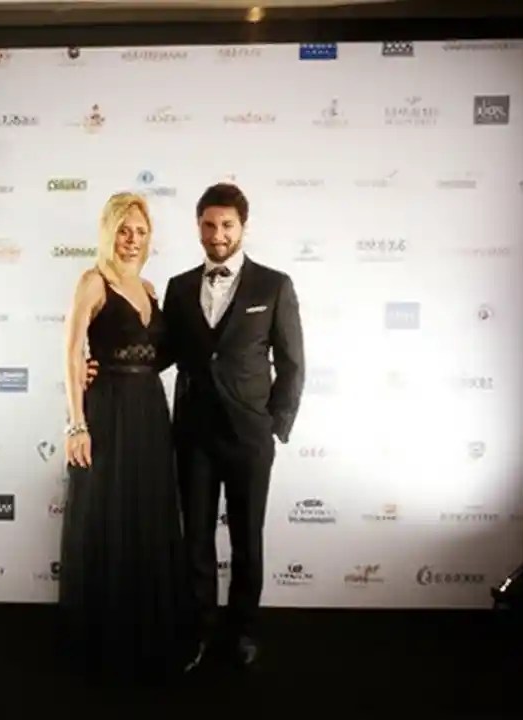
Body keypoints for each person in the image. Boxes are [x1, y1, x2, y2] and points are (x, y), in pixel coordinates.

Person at [163, 183, 305, 670]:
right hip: (194, 435)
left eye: (226, 225)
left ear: (243, 227)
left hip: (248, 435)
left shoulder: (273, 285)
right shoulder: (178, 287)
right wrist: (112, 364)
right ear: (197, 226)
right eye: (208, 224)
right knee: (196, 538)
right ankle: (199, 630)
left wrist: (276, 424)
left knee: (248, 538)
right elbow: (163, 352)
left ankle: (243, 629)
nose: (217, 234)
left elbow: (292, 363)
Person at [57, 192, 197, 683]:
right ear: (108, 232)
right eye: (123, 229)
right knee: (106, 515)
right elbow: (72, 353)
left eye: (140, 231)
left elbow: (154, 355)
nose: (132, 239)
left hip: (149, 413)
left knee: (144, 514)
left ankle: (146, 634)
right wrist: (77, 423)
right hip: (108, 412)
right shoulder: (93, 282)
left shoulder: (151, 289)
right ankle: (102, 639)